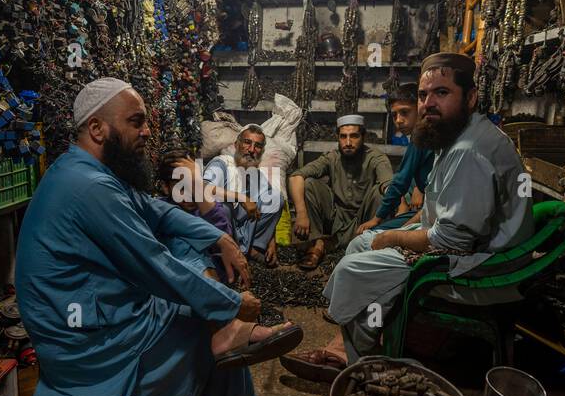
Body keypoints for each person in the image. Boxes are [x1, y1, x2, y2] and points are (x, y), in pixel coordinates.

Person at [17, 77, 304, 396]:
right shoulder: (90, 187)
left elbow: (154, 208)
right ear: (97, 129)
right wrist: (232, 303)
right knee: (205, 322)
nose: (147, 132)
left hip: (94, 313)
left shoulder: (87, 172)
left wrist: (217, 239)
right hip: (87, 340)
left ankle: (229, 385)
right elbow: (154, 265)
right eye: (136, 122)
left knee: (206, 307)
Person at [281, 53, 534, 380]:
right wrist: (406, 227)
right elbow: (438, 208)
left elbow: (450, 240)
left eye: (441, 93)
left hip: (481, 262)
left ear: (470, 98)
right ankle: (361, 340)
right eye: (423, 95)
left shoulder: (468, 150)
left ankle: (352, 360)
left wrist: (390, 236)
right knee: (360, 244)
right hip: (468, 244)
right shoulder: (453, 135)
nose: (428, 103)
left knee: (353, 267)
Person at [287, 114, 394, 271]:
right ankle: (317, 242)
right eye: (343, 137)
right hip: (336, 218)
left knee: (379, 193)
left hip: (364, 221)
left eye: (354, 136)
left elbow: (389, 186)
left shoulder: (376, 158)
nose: (348, 143)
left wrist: (385, 217)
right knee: (309, 183)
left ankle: (360, 246)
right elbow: (296, 177)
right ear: (338, 137)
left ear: (363, 137)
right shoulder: (332, 157)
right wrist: (301, 214)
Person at [356, 83, 436, 235]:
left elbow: (401, 181)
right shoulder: (423, 134)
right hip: (430, 207)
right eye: (394, 115)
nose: (398, 120)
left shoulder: (421, 138)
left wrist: (376, 219)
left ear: (420, 108)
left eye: (405, 112)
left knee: (370, 235)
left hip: (434, 211)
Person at [202, 125, 284, 267]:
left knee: (276, 197)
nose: (251, 150)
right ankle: (230, 252)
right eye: (247, 142)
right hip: (223, 229)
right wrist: (240, 198)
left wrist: (272, 243)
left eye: (257, 146)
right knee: (223, 207)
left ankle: (254, 248)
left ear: (262, 151)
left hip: (244, 230)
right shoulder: (222, 163)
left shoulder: (257, 175)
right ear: (236, 144)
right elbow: (203, 188)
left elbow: (271, 204)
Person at [158, 148, 233, 280]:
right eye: (181, 188)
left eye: (192, 185)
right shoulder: (158, 209)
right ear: (165, 187)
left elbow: (225, 247)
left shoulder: (208, 209)